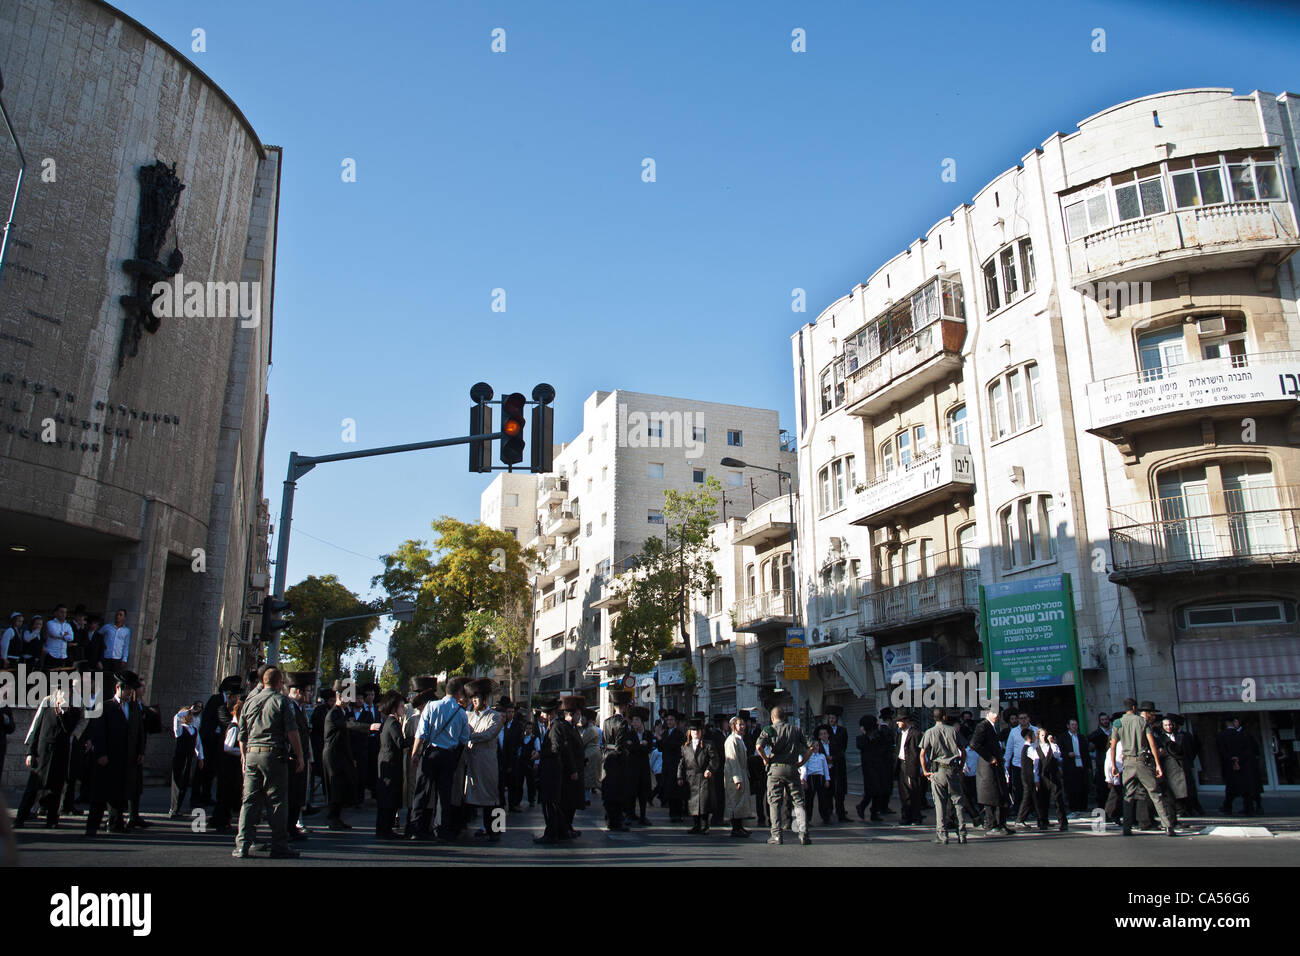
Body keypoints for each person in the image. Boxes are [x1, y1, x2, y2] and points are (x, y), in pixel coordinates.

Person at [232, 666, 304, 859]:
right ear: (280, 682)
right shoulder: (281, 701)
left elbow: (242, 733)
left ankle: (242, 845)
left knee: (249, 801)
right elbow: (292, 732)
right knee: (277, 801)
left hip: (251, 754)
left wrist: (244, 757)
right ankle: (279, 845)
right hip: (273, 755)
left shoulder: (249, 701)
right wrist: (300, 756)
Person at [409, 675, 471, 840]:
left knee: (422, 791)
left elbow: (421, 733)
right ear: (459, 692)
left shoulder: (431, 706)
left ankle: (416, 827)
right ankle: (441, 828)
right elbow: (464, 739)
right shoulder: (461, 713)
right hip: (448, 755)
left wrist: (414, 754)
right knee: (444, 794)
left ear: (446, 690)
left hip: (430, 752)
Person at [1109, 699, 1177, 837]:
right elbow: (1152, 744)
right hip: (1142, 762)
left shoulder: (1118, 723)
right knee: (1155, 793)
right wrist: (1157, 764)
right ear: (1134, 708)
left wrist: (1114, 765)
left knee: (1128, 796)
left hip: (1127, 763)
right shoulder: (1142, 722)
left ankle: (1126, 828)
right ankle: (1168, 826)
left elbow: (1113, 745)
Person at [15, 688, 78, 828]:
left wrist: (63, 712)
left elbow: (68, 729)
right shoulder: (47, 706)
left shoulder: (73, 711)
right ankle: (20, 818)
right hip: (42, 753)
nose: (63, 696)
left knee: (55, 789)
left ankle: (52, 820)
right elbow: (37, 729)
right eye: (61, 692)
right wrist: (30, 752)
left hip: (60, 754)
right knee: (32, 788)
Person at [84, 672, 137, 837]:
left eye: (131, 690)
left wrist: (139, 752)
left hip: (124, 757)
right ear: (118, 688)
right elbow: (97, 732)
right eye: (126, 690)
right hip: (107, 757)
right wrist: (100, 753)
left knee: (119, 794)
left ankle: (115, 823)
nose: (129, 693)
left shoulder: (133, 708)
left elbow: (136, 732)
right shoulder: (105, 707)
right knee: (100, 794)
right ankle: (92, 825)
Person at [323, 682, 381, 830]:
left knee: (342, 787)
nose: (348, 700)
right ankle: (332, 818)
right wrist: (368, 727)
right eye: (345, 696)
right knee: (334, 786)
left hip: (342, 754)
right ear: (338, 696)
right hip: (333, 755)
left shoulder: (343, 712)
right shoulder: (334, 712)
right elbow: (348, 726)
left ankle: (337, 817)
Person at [756, 705, 812, 846]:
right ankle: (803, 834)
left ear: (772, 718)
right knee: (798, 801)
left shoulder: (769, 729)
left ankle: (776, 835)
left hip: (775, 769)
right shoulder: (795, 729)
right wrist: (802, 762)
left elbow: (758, 746)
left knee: (774, 802)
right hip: (792, 768)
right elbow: (811, 746)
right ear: (785, 717)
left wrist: (765, 759)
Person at [534, 696, 585, 844]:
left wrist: (540, 753)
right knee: (552, 804)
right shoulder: (556, 725)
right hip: (552, 771)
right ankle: (557, 831)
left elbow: (556, 748)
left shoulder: (556, 727)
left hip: (552, 771)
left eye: (543, 713)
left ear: (549, 713)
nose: (542, 716)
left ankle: (551, 834)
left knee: (551, 805)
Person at [919, 707, 969, 845]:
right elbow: (963, 751)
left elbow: (922, 754)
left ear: (934, 718)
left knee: (939, 804)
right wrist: (960, 767)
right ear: (945, 717)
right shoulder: (953, 731)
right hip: (952, 769)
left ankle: (942, 835)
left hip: (937, 770)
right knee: (957, 802)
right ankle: (962, 833)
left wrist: (925, 771)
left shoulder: (929, 732)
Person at [463, 677, 504, 841]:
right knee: (468, 796)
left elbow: (489, 734)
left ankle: (496, 829)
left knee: (493, 797)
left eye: (477, 697)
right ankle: (465, 825)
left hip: (488, 762)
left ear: (485, 698)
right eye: (472, 697)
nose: (474, 700)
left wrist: (470, 736)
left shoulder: (496, 716)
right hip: (471, 762)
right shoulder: (468, 715)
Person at [195, 675, 242, 807]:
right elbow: (222, 720)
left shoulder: (224, 702)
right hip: (209, 740)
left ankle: (206, 795)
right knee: (204, 769)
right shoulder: (218, 701)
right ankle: (199, 796)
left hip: (217, 740)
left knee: (212, 770)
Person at [969, 705, 1011, 835]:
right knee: (991, 796)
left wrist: (998, 757)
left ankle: (1001, 824)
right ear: (987, 713)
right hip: (987, 768)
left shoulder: (991, 727)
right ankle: (992, 824)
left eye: (998, 712)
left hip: (995, 766)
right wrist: (990, 757)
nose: (996, 715)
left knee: (1000, 794)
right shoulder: (983, 726)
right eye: (993, 712)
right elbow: (974, 744)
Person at [403, 676, 438, 832]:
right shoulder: (412, 713)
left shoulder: (412, 712)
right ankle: (418, 824)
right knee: (417, 790)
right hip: (418, 756)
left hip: (416, 756)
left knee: (418, 790)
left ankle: (416, 824)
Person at [677, 717, 721, 834]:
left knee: (704, 802)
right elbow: (682, 762)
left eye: (698, 731)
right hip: (691, 777)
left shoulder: (708, 745)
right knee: (693, 802)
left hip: (704, 777)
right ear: (689, 733)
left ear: (702, 732)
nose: (696, 733)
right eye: (693, 731)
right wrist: (680, 776)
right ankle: (696, 824)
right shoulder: (686, 746)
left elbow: (715, 759)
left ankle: (705, 824)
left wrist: (710, 769)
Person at [375, 690, 409, 839]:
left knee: (386, 798)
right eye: (401, 706)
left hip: (386, 762)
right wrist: (417, 738)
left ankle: (384, 828)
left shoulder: (388, 722)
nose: (404, 708)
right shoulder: (393, 722)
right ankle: (385, 829)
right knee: (389, 798)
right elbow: (400, 743)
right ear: (394, 707)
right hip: (391, 764)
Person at [600, 690, 636, 831]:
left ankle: (610, 819)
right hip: (617, 760)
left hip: (607, 758)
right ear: (625, 706)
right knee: (619, 790)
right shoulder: (622, 723)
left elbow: (603, 742)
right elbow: (621, 745)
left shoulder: (606, 721)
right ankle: (616, 821)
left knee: (609, 790)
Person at [284, 673, 314, 839]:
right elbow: (290, 733)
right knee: (292, 794)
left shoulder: (298, 708)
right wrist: (297, 755)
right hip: (293, 758)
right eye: (308, 691)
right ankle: (288, 828)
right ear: (297, 691)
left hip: (301, 758)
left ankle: (292, 827)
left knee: (298, 794)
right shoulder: (289, 707)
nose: (310, 694)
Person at [1217, 715, 1262, 816]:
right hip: (1243, 765)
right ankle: (1248, 808)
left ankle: (1227, 807)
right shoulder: (1242, 735)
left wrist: (1231, 759)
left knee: (1231, 788)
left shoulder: (1221, 736)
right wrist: (1239, 759)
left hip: (1229, 766)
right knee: (1246, 787)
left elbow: (1222, 751)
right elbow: (1249, 750)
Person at [1028, 727, 1069, 832]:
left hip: (1054, 776)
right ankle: (1043, 821)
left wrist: (1052, 743)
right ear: (1038, 737)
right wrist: (1036, 779)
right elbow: (1036, 766)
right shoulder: (1036, 749)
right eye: (1042, 735)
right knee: (1043, 800)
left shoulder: (1054, 746)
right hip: (1043, 777)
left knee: (1058, 799)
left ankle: (1063, 822)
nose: (1044, 737)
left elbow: (1057, 755)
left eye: (1046, 735)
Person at [169, 701, 204, 819]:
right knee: (177, 782)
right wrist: (187, 710)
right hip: (180, 758)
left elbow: (198, 745)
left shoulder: (194, 730)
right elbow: (176, 718)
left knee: (184, 783)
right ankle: (173, 809)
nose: (190, 717)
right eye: (188, 715)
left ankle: (178, 808)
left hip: (189, 758)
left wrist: (200, 758)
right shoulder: (180, 730)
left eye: (191, 715)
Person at [722, 715, 755, 838]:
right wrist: (737, 778)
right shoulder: (731, 740)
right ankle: (735, 828)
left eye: (743, 724)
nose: (742, 727)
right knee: (735, 801)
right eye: (739, 724)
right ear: (733, 726)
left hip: (742, 772)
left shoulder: (740, 739)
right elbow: (733, 760)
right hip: (734, 774)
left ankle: (740, 826)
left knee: (741, 801)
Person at [895, 708, 925, 827]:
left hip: (912, 765)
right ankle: (906, 816)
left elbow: (920, 752)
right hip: (901, 764)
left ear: (906, 721)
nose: (897, 723)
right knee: (904, 793)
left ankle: (916, 816)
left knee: (914, 792)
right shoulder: (899, 734)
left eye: (899, 721)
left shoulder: (915, 734)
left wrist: (922, 768)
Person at [1003, 711, 1037, 817]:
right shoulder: (1014, 732)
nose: (1023, 720)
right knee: (1018, 788)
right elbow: (1009, 748)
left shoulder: (1035, 730)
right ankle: (1018, 809)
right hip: (1017, 764)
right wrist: (1006, 763)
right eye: (1021, 718)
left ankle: (1033, 809)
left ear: (1028, 718)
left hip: (1033, 763)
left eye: (1025, 717)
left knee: (1032, 787)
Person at [625, 706, 653, 825]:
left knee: (643, 792)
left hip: (644, 767)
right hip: (631, 767)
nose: (634, 723)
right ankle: (630, 815)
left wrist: (639, 746)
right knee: (631, 791)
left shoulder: (648, 734)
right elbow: (630, 748)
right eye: (633, 720)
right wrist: (640, 745)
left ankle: (643, 815)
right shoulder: (629, 734)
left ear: (642, 721)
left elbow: (648, 748)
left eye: (637, 720)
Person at [498, 697, 525, 811]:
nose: (510, 714)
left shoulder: (518, 725)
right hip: (501, 758)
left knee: (514, 782)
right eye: (508, 712)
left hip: (513, 757)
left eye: (512, 712)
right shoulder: (501, 725)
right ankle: (501, 803)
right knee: (501, 783)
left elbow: (520, 741)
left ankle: (513, 804)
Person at [823, 705, 850, 822]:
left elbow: (843, 747)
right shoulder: (824, 731)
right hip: (827, 765)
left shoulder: (842, 731)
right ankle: (828, 811)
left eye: (833, 718)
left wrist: (834, 757)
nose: (831, 720)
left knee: (840, 790)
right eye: (830, 718)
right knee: (829, 789)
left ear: (837, 719)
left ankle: (841, 812)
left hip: (839, 763)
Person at [1059, 716, 1091, 812]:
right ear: (1068, 726)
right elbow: (1060, 751)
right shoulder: (1063, 737)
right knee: (1072, 787)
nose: (1074, 727)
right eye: (1072, 725)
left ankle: (1083, 807)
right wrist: (1067, 754)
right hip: (1070, 766)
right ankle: (1074, 807)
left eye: (1076, 725)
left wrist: (1088, 766)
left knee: (1083, 787)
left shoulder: (1081, 737)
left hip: (1081, 765)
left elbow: (1086, 752)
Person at [658, 710, 685, 822]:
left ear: (675, 722)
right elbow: (660, 748)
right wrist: (660, 739)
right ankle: (672, 812)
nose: (669, 722)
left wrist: (664, 742)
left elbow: (678, 747)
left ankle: (677, 813)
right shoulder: (665, 733)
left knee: (676, 790)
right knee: (668, 789)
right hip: (666, 765)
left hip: (675, 765)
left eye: (671, 720)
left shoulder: (679, 734)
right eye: (668, 720)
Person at [742, 711, 767, 826]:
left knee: (762, 793)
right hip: (751, 766)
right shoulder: (744, 734)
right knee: (757, 793)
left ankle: (765, 816)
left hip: (760, 767)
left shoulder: (758, 733)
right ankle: (758, 815)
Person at [801, 737, 832, 826]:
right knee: (809, 799)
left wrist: (827, 779)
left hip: (820, 778)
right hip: (811, 778)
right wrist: (804, 780)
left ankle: (825, 817)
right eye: (813, 746)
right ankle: (807, 819)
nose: (815, 748)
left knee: (823, 799)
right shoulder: (807, 756)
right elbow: (805, 769)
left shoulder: (822, 756)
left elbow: (825, 768)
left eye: (817, 746)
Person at [1087, 712, 1113, 809]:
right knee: (1102, 789)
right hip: (1102, 764)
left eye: (1106, 719)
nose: (1105, 721)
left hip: (1113, 763)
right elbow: (1090, 748)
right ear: (1099, 721)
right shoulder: (1096, 735)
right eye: (1102, 720)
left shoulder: (1113, 732)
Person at [42, 604, 74, 670]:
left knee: (60, 677)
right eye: (61, 612)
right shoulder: (50, 623)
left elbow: (71, 637)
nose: (64, 614)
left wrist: (60, 634)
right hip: (51, 654)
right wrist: (65, 633)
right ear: (56, 613)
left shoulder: (67, 625)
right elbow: (54, 633)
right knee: (49, 677)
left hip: (62, 655)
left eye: (65, 612)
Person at [580, 707, 601, 804]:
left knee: (589, 778)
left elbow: (582, 743)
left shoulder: (589, 730)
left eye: (583, 719)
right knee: (592, 777)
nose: (581, 721)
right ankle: (586, 797)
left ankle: (585, 798)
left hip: (589, 755)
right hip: (594, 754)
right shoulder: (594, 729)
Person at [520, 720, 541, 809]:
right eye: (527, 728)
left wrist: (536, 763)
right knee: (519, 782)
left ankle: (531, 799)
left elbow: (538, 750)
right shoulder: (522, 738)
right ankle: (518, 800)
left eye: (530, 728)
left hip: (530, 763)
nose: (528, 730)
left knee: (531, 782)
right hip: (522, 762)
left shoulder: (535, 739)